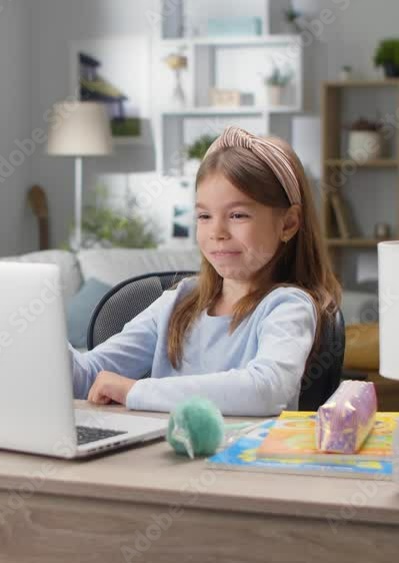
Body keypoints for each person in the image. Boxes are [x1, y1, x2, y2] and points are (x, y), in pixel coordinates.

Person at [68, 126, 341, 416]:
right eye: (204, 216)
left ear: (288, 224)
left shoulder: (287, 307)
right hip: (157, 459)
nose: (217, 232)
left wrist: (136, 391)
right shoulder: (179, 302)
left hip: (236, 460)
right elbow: (88, 377)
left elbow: (266, 390)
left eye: (237, 215)